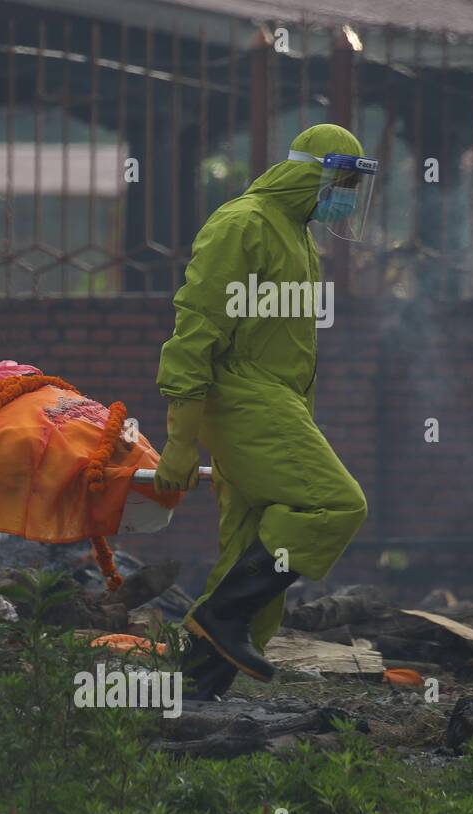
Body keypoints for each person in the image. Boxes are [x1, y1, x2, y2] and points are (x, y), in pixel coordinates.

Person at [154, 124, 377, 700]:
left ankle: (186, 696)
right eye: (345, 180)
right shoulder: (243, 223)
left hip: (276, 405)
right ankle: (222, 614)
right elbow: (194, 330)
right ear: (316, 172)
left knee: (249, 561)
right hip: (244, 400)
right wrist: (181, 439)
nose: (349, 196)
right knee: (334, 503)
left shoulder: (297, 235)